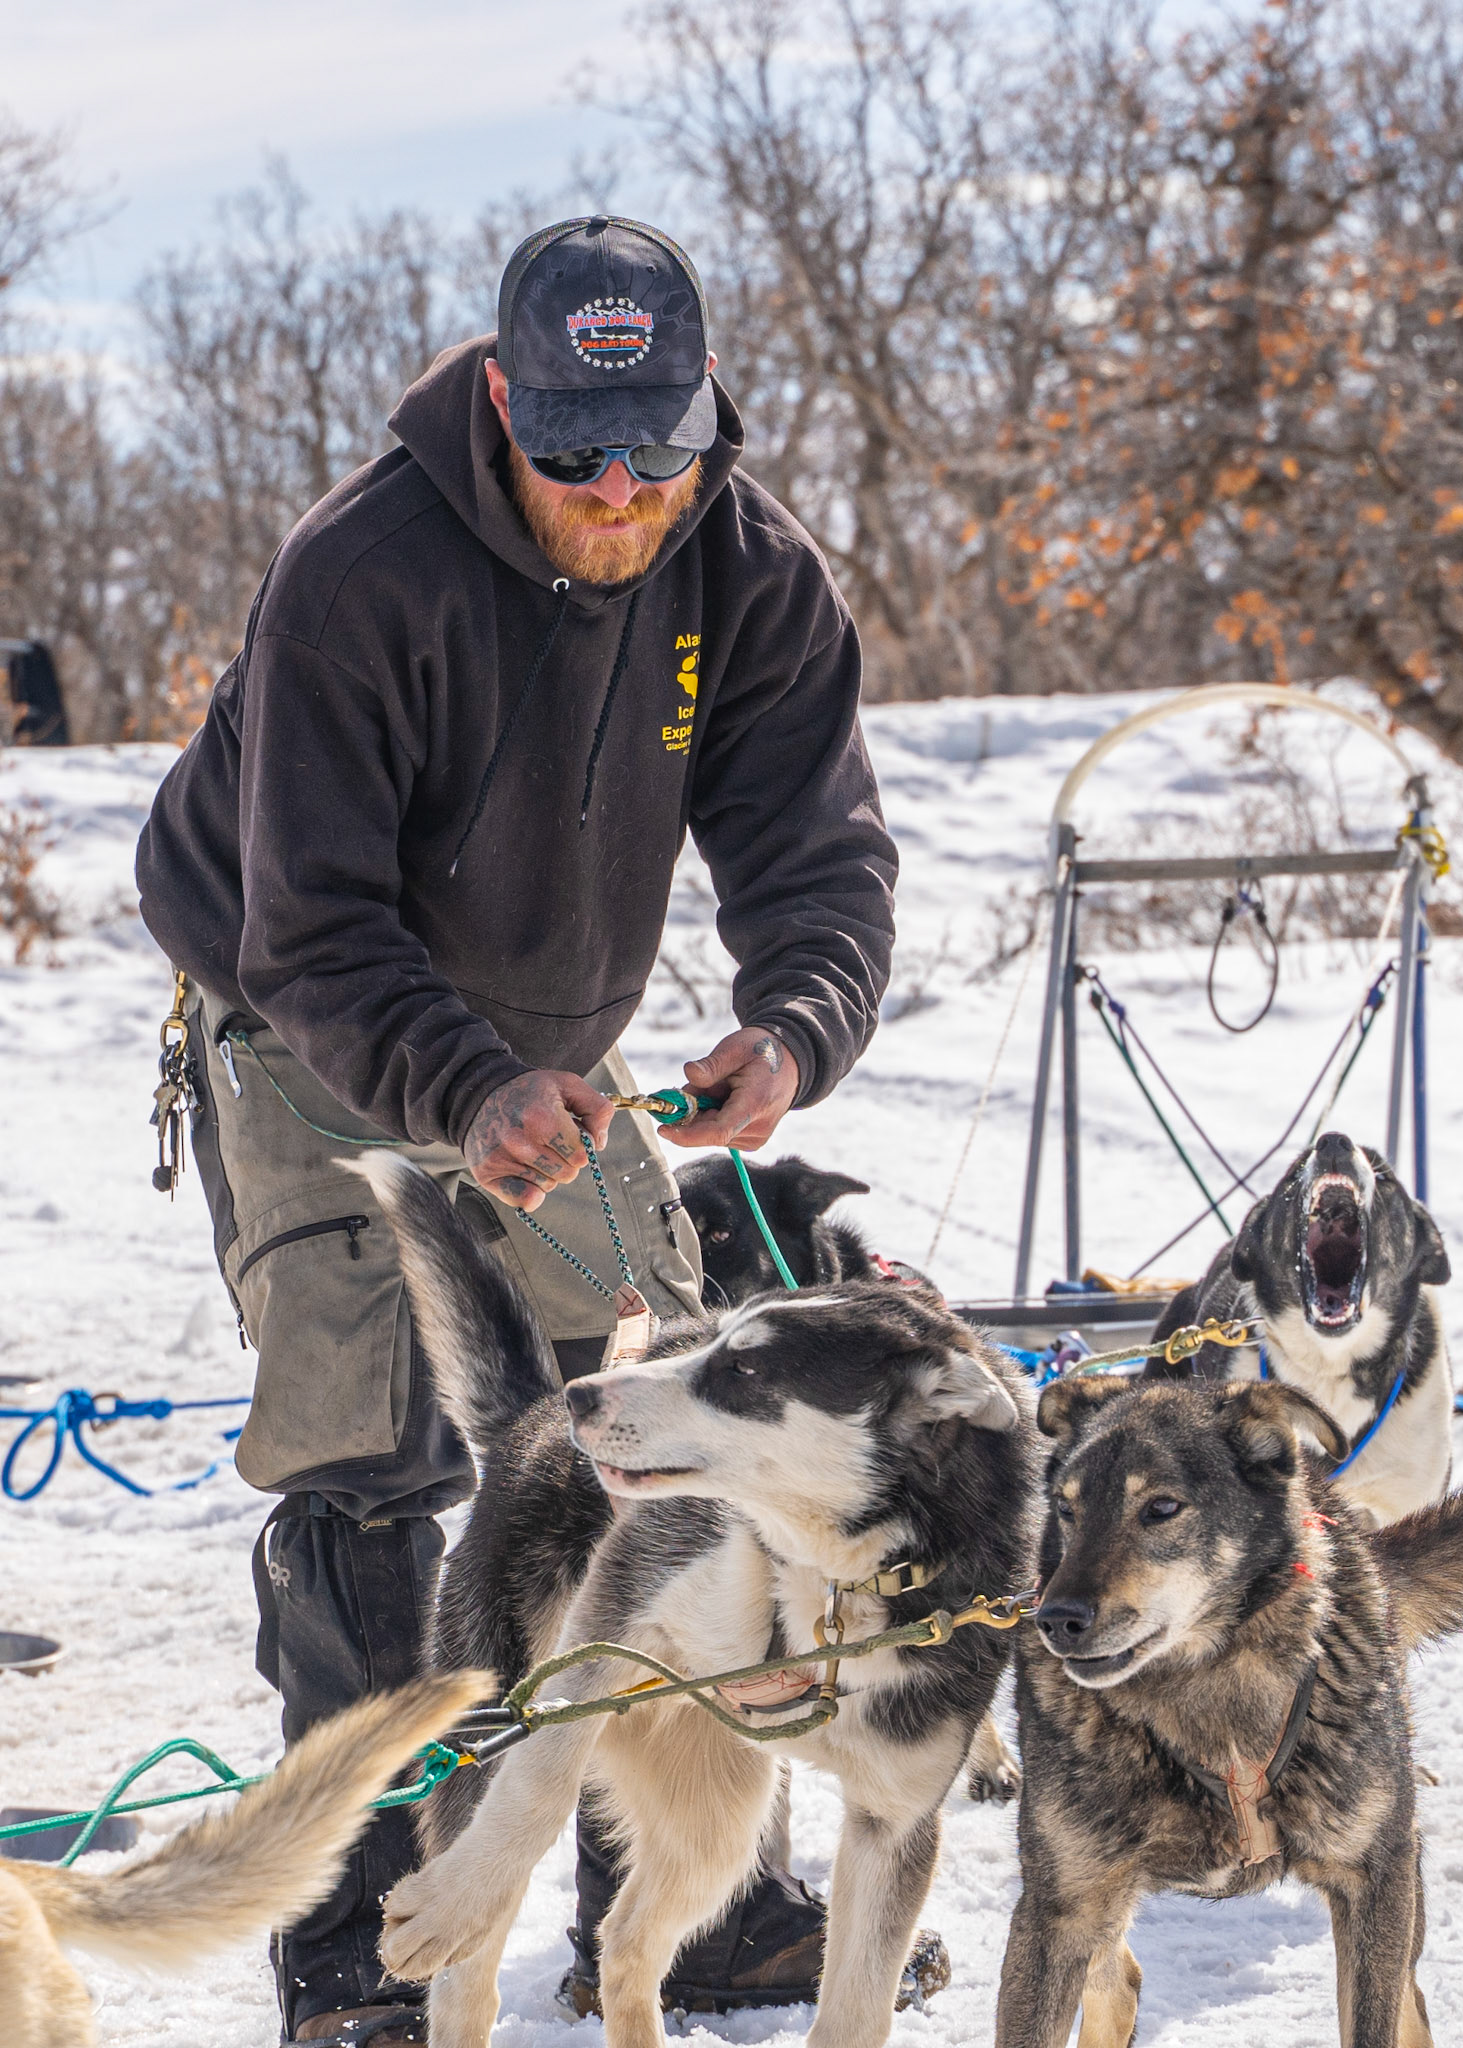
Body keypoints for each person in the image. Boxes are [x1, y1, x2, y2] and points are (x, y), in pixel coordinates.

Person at [135, 216, 899, 2048]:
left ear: (710, 412)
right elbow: (304, 925)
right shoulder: (357, 576)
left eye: (658, 445)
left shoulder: (752, 572)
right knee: (369, 1472)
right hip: (313, 1019)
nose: (619, 492)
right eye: (572, 451)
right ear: (502, 404)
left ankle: (691, 1908)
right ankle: (362, 1952)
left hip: (555, 1034)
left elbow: (822, 859)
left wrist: (795, 1026)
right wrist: (462, 1090)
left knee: (662, 1433)